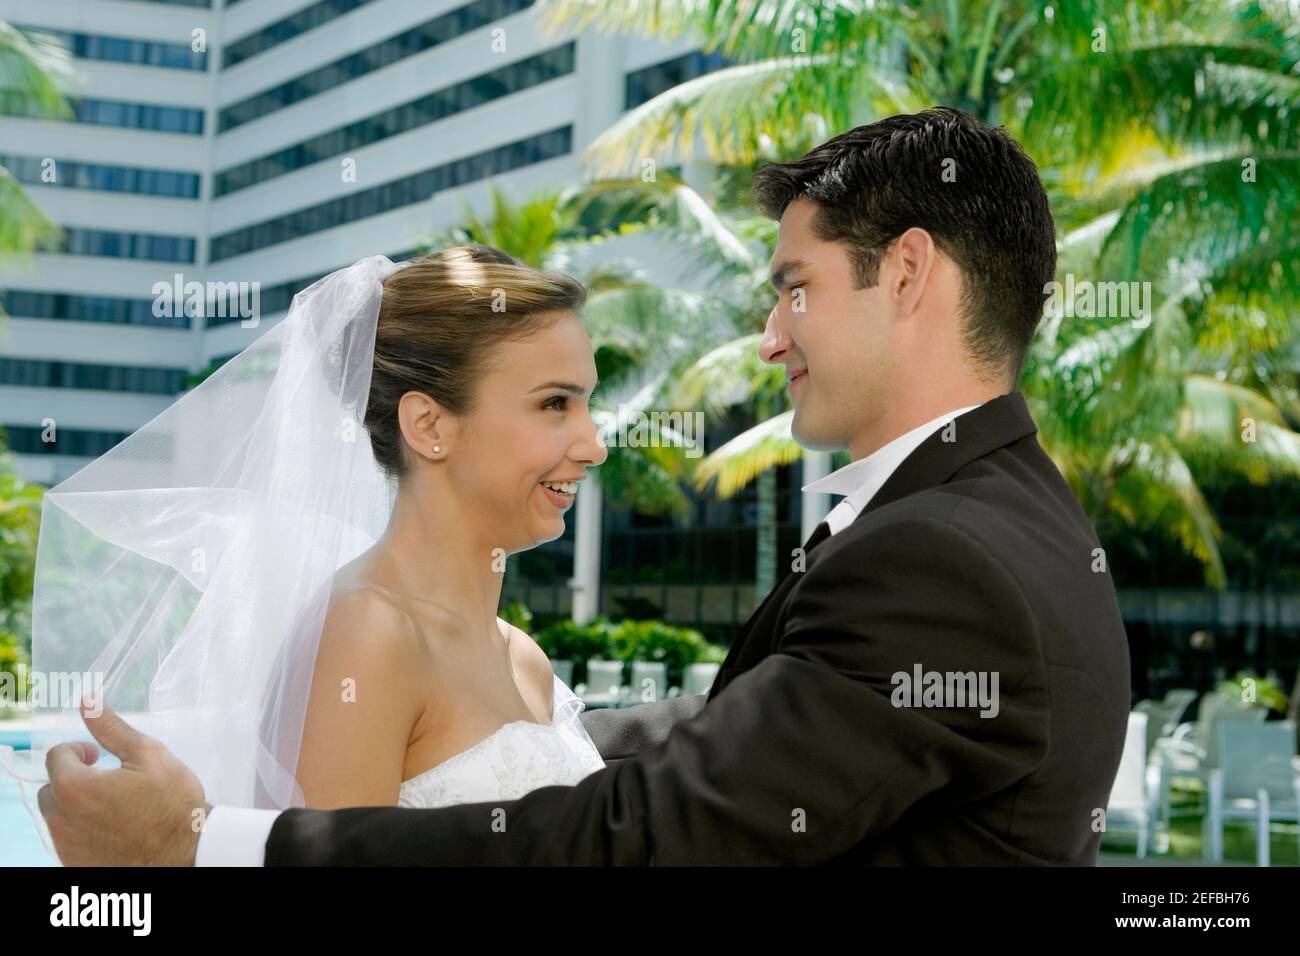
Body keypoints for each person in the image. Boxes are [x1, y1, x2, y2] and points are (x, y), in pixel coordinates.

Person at [37, 107, 1131, 866]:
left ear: (904, 271)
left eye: (793, 289)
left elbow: (666, 835)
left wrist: (198, 841)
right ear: (428, 424)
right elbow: (760, 739)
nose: (767, 337)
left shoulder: (942, 554)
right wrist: (524, 733)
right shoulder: (1008, 514)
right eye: (552, 402)